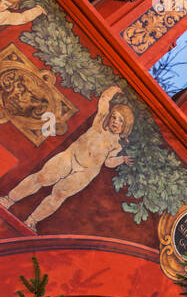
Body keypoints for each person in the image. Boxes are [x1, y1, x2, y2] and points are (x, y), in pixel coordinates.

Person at [2, 86, 133, 231]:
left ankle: (32, 221)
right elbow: (104, 100)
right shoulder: (99, 124)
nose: (115, 121)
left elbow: (108, 162)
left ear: (125, 126)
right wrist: (113, 90)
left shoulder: (116, 145)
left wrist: (122, 159)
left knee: (59, 194)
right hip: (70, 157)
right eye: (114, 117)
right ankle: (8, 200)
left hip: (86, 173)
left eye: (120, 120)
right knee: (42, 177)